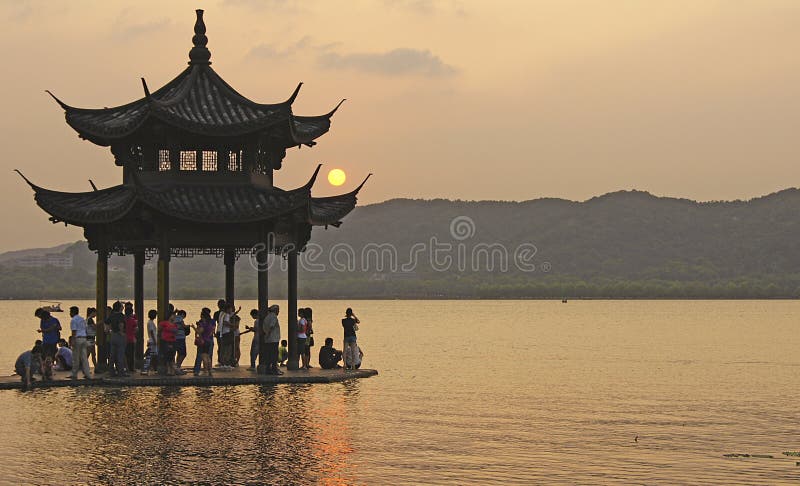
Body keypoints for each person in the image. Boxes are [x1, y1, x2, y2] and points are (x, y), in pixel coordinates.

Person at [36, 308, 61, 380]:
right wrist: (51, 328)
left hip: (53, 341)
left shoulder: (54, 320)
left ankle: (49, 370)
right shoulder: (43, 321)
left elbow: (59, 328)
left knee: (50, 356)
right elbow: (43, 329)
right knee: (45, 356)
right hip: (46, 341)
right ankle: (46, 370)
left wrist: (54, 327)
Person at [105, 301, 128, 377]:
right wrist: (121, 332)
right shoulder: (121, 315)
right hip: (119, 336)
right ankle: (121, 372)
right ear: (119, 307)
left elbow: (106, 322)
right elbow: (121, 324)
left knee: (112, 355)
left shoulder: (111, 315)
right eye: (121, 306)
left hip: (113, 335)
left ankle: (111, 371)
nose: (123, 307)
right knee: (120, 354)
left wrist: (108, 330)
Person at [69, 306, 92, 380]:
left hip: (77, 339)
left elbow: (74, 331)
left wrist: (72, 341)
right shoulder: (82, 319)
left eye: (70, 312)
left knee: (76, 357)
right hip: (84, 338)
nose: (70, 314)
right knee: (84, 357)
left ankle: (74, 374)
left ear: (73, 312)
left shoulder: (73, 320)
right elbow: (85, 329)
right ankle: (87, 374)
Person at [191, 308, 215, 377]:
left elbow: (199, 332)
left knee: (203, 356)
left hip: (203, 341)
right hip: (209, 341)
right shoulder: (210, 324)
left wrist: (193, 328)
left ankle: (204, 370)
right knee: (208, 357)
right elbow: (212, 332)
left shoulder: (203, 324)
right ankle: (209, 371)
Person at [262, 304, 282, 375]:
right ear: (275, 310)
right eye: (278, 310)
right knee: (274, 355)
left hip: (268, 339)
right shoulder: (273, 317)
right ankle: (274, 369)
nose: (278, 312)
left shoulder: (267, 317)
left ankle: (268, 369)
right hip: (273, 338)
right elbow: (271, 326)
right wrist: (268, 334)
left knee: (268, 354)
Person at [158, 309, 178, 376]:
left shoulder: (174, 324)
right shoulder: (164, 323)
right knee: (167, 355)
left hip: (173, 341)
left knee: (172, 355)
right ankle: (169, 370)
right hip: (166, 341)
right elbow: (160, 328)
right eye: (173, 316)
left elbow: (176, 331)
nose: (174, 317)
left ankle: (172, 370)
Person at [142, 309, 159, 375]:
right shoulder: (150, 323)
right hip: (152, 341)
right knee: (149, 356)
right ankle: (145, 369)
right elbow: (152, 332)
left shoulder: (150, 322)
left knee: (153, 355)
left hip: (152, 340)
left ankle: (152, 368)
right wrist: (155, 341)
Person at [174, 309, 190, 374]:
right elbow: (183, 326)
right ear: (182, 314)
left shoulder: (174, 318)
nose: (184, 317)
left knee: (179, 353)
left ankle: (177, 366)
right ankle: (177, 366)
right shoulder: (179, 318)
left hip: (175, 338)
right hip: (180, 338)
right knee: (183, 353)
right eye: (184, 316)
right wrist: (189, 326)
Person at [124, 302, 138, 372]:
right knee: (132, 354)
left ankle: (126, 367)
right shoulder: (133, 320)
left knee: (125, 354)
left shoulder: (123, 319)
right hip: (131, 339)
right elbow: (136, 329)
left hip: (124, 339)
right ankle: (132, 368)